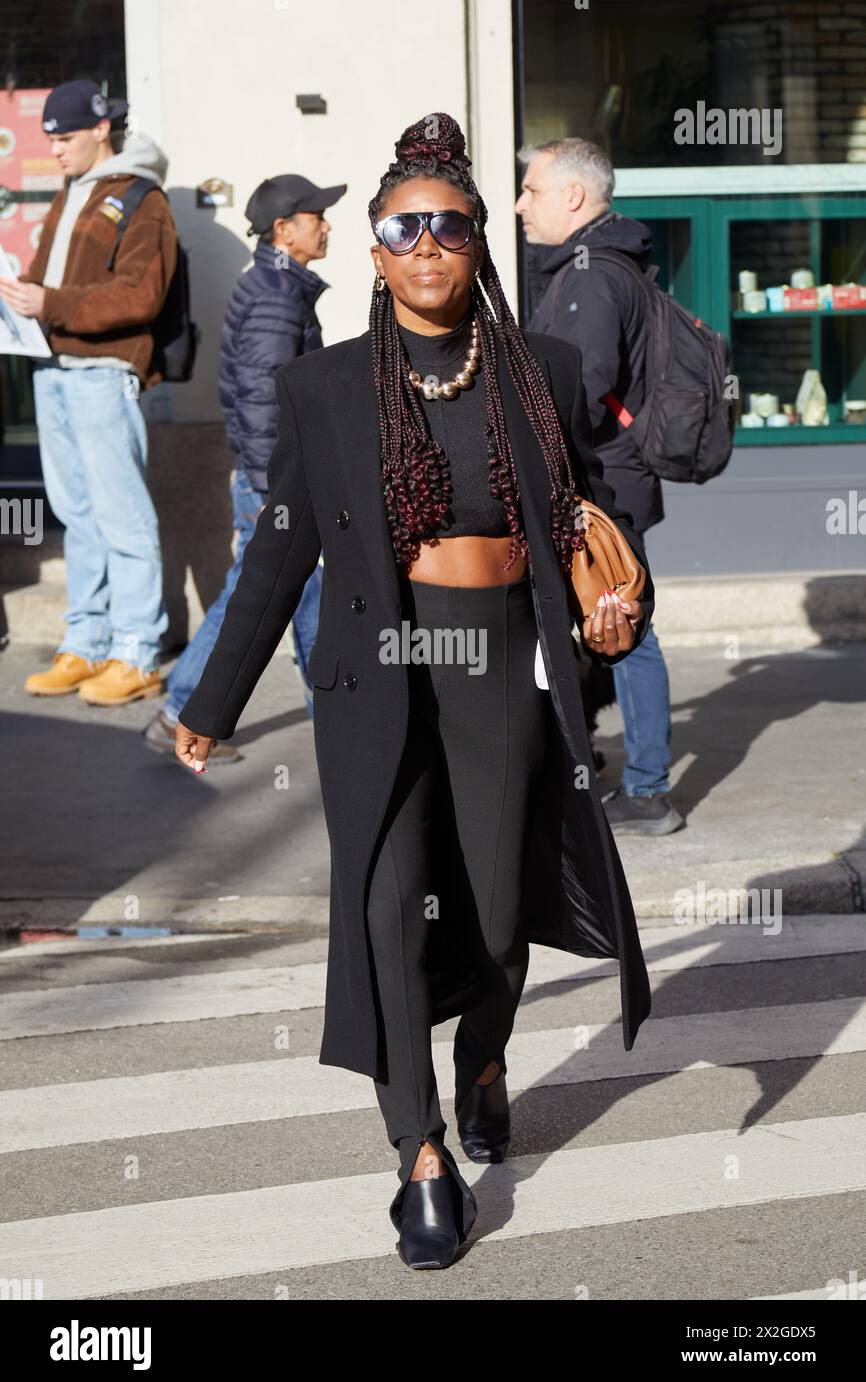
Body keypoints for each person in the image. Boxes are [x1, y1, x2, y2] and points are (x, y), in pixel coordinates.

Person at [173, 113, 656, 1271]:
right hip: (374, 671)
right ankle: (420, 1153)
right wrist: (212, 700)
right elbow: (280, 546)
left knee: (491, 916)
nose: (427, 242)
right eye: (404, 227)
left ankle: (484, 1056)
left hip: (497, 661)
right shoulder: (326, 386)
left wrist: (615, 595)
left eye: (449, 223)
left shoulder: (542, 370)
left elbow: (594, 504)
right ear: (376, 253)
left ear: (479, 243)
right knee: (388, 908)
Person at [143, 174, 344, 761]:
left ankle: (190, 707)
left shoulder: (277, 287)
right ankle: (187, 709)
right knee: (275, 594)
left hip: (272, 477)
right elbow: (261, 398)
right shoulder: (276, 296)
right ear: (284, 228)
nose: (327, 225)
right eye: (316, 216)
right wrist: (267, 487)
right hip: (273, 481)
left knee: (280, 592)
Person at [518, 137, 684, 835]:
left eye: (532, 190)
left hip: (602, 486)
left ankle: (651, 791)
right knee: (598, 621)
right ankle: (596, 763)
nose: (522, 203)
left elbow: (577, 391)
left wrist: (527, 461)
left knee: (629, 627)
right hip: (602, 480)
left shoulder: (590, 276)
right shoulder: (584, 266)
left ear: (574, 198)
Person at [0, 79, 177, 705]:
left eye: (66, 137)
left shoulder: (142, 199)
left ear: (102, 129)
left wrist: (51, 302)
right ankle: (88, 640)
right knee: (78, 516)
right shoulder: (72, 193)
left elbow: (141, 296)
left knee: (121, 515)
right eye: (48, 138)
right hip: (53, 369)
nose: (54, 149)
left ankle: (137, 651)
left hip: (103, 373)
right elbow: (52, 281)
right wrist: (23, 297)